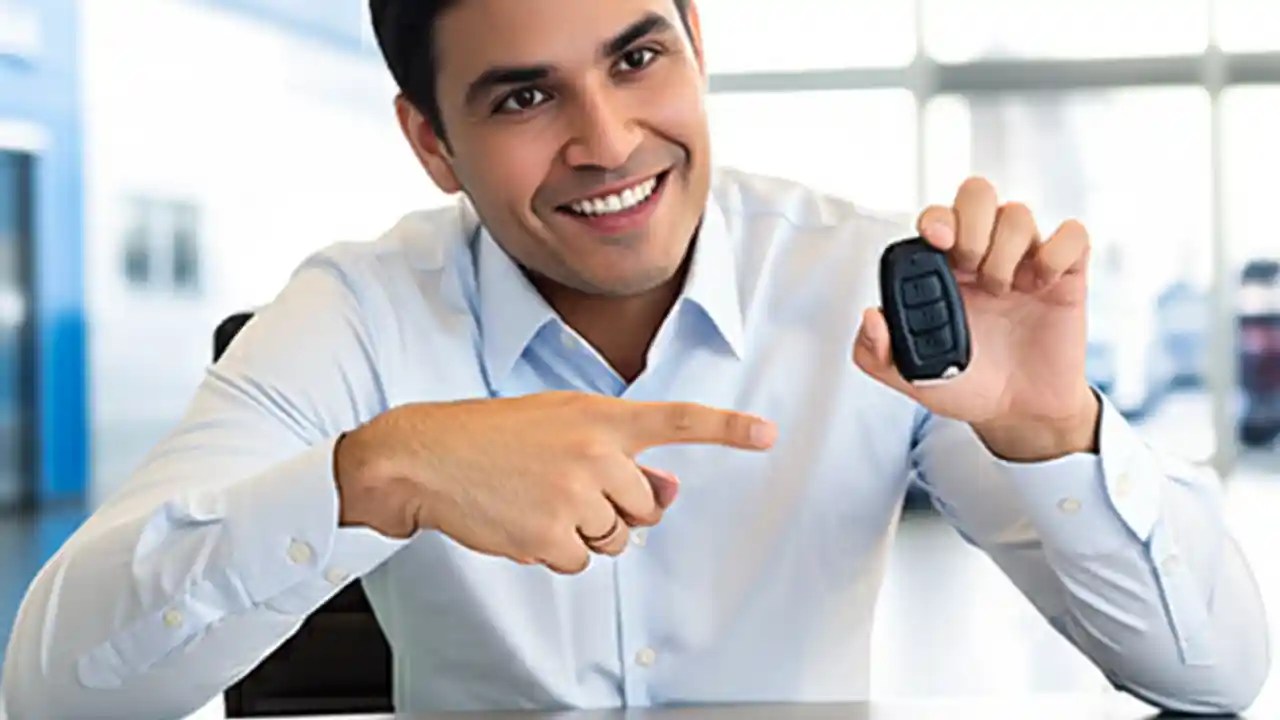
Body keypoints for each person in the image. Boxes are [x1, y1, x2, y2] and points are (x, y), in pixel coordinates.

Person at [2, 1, 1270, 717]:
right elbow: (53, 691)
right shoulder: (358, 310)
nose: (607, 140)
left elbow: (1213, 678)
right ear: (430, 143)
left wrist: (1054, 435)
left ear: (695, 45)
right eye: (519, 98)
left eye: (635, 56)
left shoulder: (861, 283)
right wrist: (375, 474)